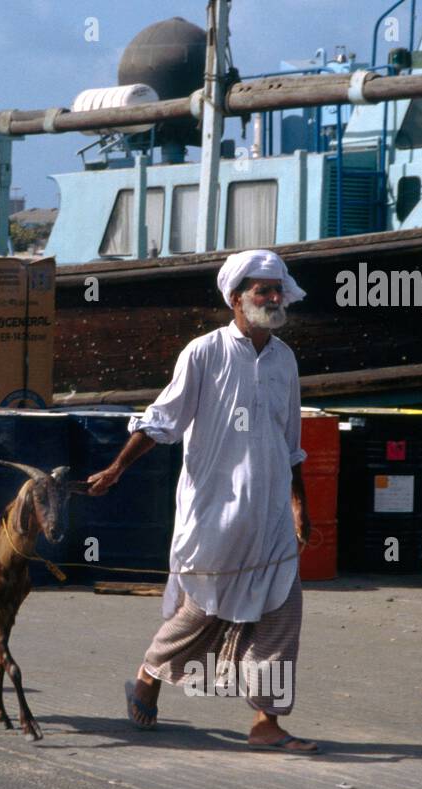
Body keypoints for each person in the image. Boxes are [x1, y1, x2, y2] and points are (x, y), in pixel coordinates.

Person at [87, 249, 319, 753]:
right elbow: (162, 421)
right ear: (236, 298)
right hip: (215, 514)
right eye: (263, 290)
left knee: (281, 614)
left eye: (278, 289)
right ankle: (150, 671)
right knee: (202, 612)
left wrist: (300, 505)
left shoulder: (284, 359)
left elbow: (290, 441)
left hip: (271, 516)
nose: (274, 298)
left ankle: (266, 722)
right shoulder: (205, 353)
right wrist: (116, 468)